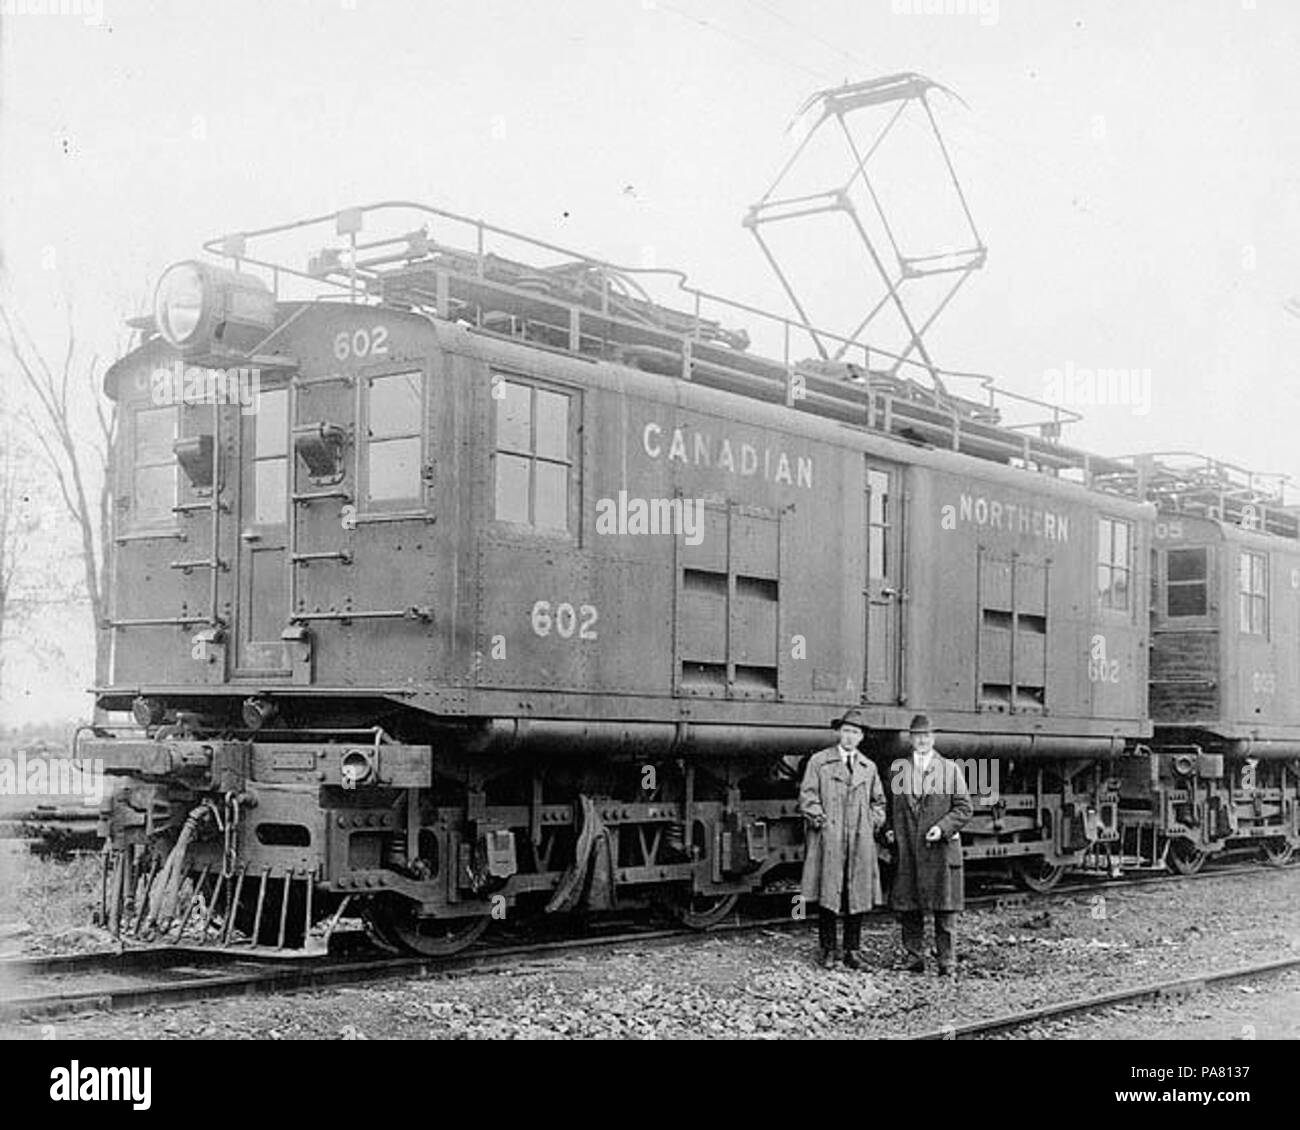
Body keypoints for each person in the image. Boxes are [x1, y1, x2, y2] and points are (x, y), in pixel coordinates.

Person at [799, 707, 886, 969]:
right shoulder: (819, 762)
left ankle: (852, 952)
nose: (850, 737)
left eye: (855, 733)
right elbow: (808, 795)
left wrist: (873, 820)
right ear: (839, 733)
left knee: (855, 895)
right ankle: (827, 950)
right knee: (828, 893)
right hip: (831, 836)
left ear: (861, 737)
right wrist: (818, 818)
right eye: (846, 731)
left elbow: (879, 801)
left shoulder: (868, 767)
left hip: (859, 838)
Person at [885, 714, 972, 975]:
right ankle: (914, 959)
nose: (922, 740)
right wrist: (889, 830)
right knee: (909, 907)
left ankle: (947, 961)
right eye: (917, 736)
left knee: (944, 909)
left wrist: (942, 828)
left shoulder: (949, 769)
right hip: (909, 849)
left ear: (933, 739)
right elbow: (893, 808)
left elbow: (964, 808)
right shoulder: (899, 769)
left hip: (939, 849)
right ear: (910, 739)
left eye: (926, 736)